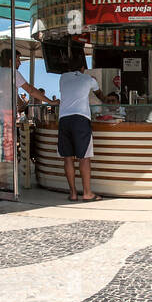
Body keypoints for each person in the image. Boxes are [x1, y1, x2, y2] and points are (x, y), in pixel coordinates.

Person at [0, 49, 53, 189]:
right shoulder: (12, 72)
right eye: (18, 60)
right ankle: (3, 188)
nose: (20, 63)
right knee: (4, 155)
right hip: (1, 118)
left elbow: (13, 96)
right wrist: (50, 101)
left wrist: (22, 106)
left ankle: (1, 186)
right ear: (11, 61)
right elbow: (30, 90)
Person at [57, 61, 101, 201]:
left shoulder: (63, 77)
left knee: (68, 158)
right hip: (81, 119)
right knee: (84, 158)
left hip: (64, 119)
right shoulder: (88, 79)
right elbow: (99, 94)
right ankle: (87, 193)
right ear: (83, 68)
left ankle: (73, 193)